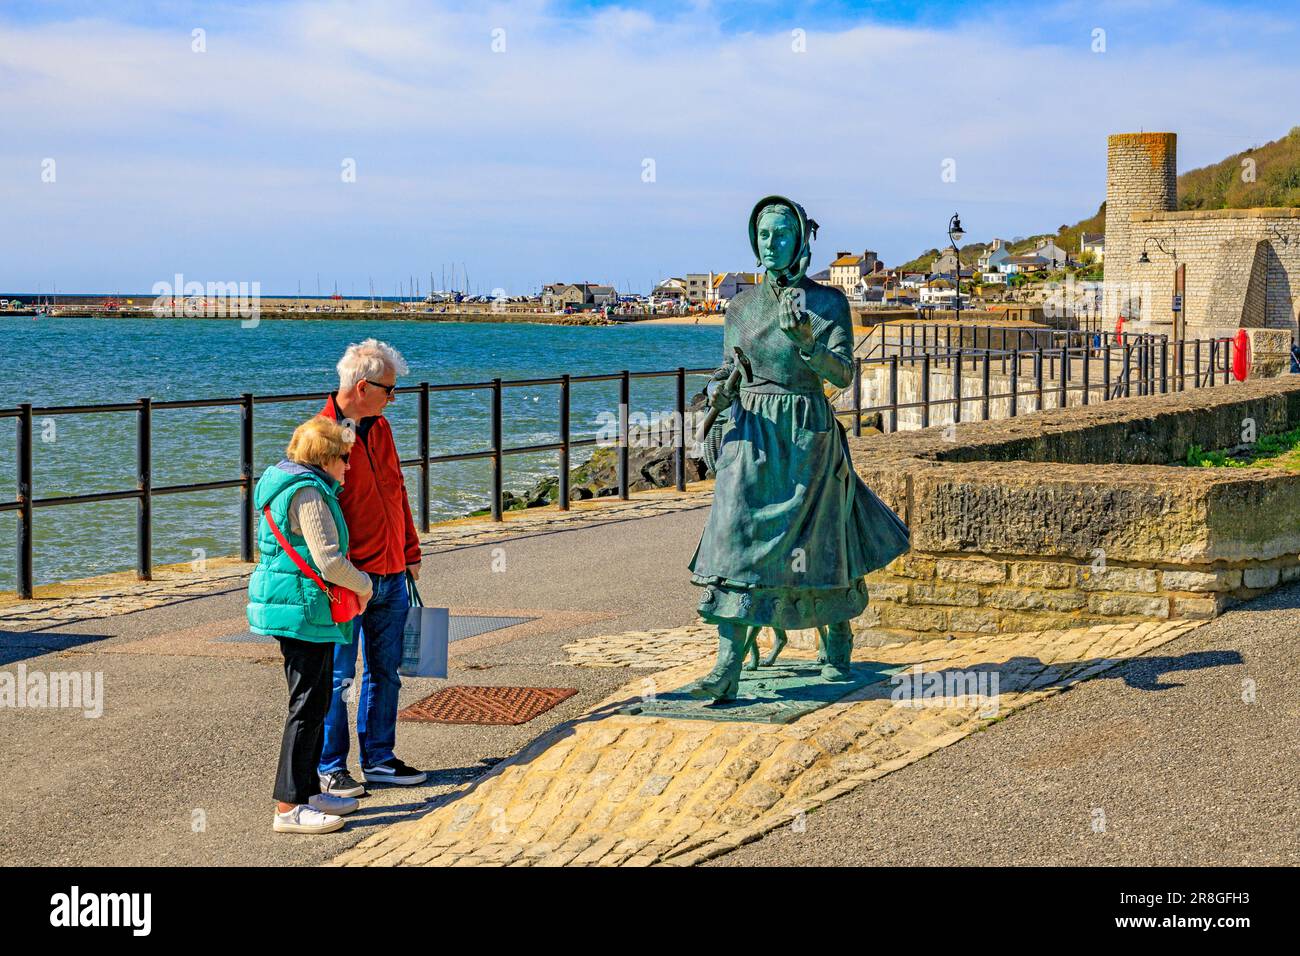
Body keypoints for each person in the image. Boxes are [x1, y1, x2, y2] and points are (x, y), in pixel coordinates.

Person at [687, 195, 910, 701]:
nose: (772, 244)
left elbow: (843, 375)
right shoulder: (740, 307)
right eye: (764, 235)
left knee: (817, 544)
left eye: (782, 234)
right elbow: (732, 368)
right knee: (734, 536)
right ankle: (728, 662)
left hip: (807, 432)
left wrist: (808, 342)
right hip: (751, 431)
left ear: (802, 240)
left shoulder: (828, 303)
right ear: (753, 240)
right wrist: (721, 391)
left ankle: (836, 637)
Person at [248, 416, 374, 834]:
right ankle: (288, 809)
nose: (348, 467)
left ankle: (309, 793)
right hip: (300, 609)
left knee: (316, 700)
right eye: (344, 458)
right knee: (305, 706)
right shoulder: (307, 493)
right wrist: (365, 585)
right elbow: (329, 560)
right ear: (325, 457)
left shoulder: (290, 483)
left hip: (297, 605)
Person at [317, 339, 428, 796]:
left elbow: (395, 492)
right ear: (363, 387)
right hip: (347, 578)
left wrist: (411, 551)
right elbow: (312, 508)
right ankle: (330, 766)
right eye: (389, 389)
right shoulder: (323, 434)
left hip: (391, 570)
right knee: (339, 677)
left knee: (387, 670)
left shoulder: (379, 428)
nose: (394, 398)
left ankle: (379, 759)